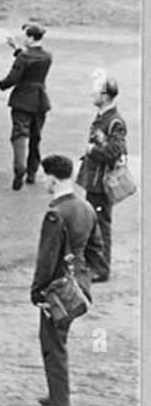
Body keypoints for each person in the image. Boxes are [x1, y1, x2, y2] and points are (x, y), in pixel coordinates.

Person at [30, 154, 103, 406]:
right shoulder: (85, 207)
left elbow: (47, 258)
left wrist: (37, 291)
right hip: (79, 287)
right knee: (60, 339)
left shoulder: (55, 214)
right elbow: (98, 250)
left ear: (51, 177)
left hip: (58, 289)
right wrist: (84, 278)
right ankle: (56, 394)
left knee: (52, 344)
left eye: (44, 177)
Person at [77, 76, 126, 282]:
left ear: (105, 96)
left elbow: (116, 149)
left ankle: (101, 268)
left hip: (102, 182)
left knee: (101, 225)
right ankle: (94, 265)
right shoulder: (105, 117)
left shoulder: (114, 121)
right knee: (95, 223)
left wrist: (92, 150)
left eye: (96, 91)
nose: (92, 94)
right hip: (96, 180)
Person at [0, 22, 52, 190]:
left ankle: (19, 168)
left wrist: (0, 85)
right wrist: (16, 48)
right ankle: (32, 172)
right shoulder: (48, 57)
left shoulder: (24, 57)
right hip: (40, 100)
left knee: (19, 134)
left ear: (30, 37)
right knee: (36, 137)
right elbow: (29, 60)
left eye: (25, 36)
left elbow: (13, 77)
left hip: (22, 100)